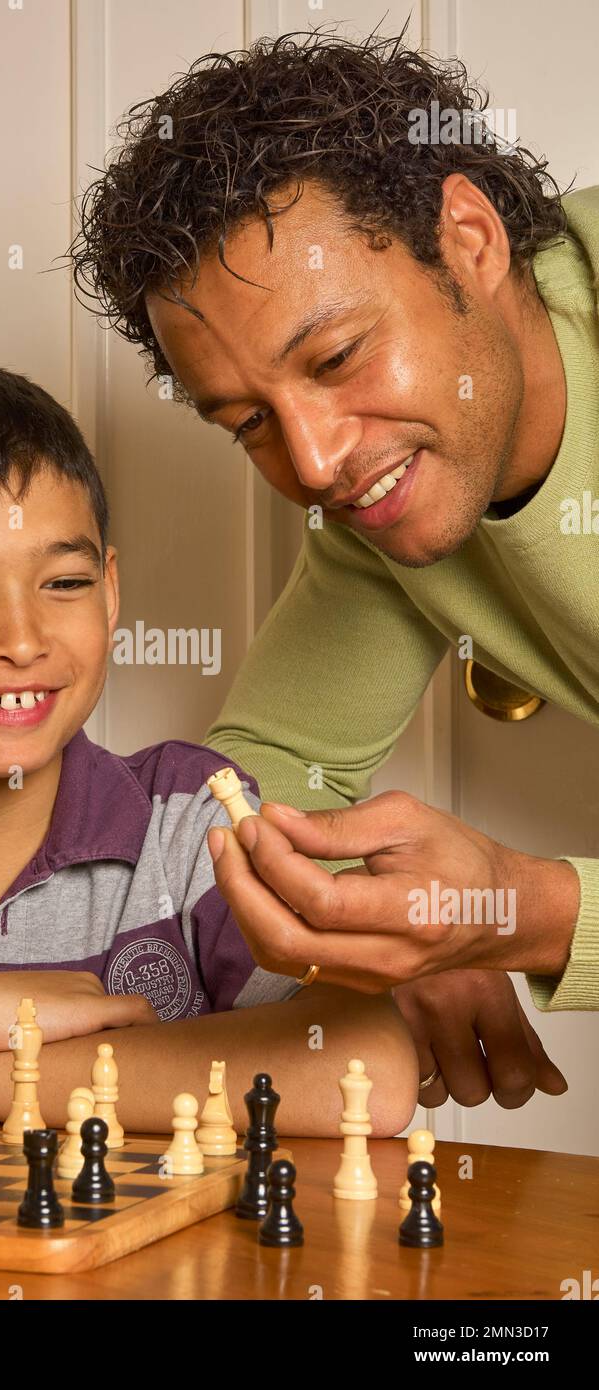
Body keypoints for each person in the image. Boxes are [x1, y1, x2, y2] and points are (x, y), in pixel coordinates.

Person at [69, 27, 599, 1112]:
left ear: (468, 238)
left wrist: (523, 911)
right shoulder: (386, 505)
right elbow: (262, 766)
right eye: (247, 421)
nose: (309, 462)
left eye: (337, 358)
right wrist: (358, 920)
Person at [0, 359, 417, 1135]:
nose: (22, 641)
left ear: (111, 593)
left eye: (64, 583)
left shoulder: (187, 822)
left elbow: (366, 1067)